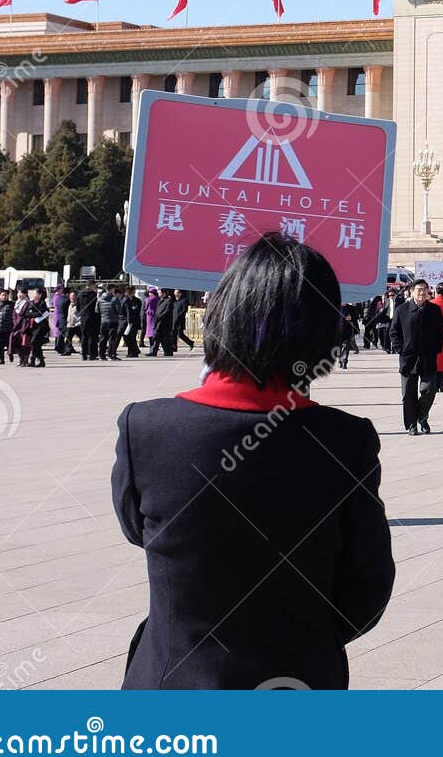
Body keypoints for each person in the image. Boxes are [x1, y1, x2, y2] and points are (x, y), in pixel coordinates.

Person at [111, 233, 394, 689]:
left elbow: (137, 531)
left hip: (174, 682)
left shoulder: (147, 427)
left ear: (224, 313)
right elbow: (368, 589)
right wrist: (302, 637)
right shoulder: (346, 441)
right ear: (323, 335)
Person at [393, 280, 443, 435]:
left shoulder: (434, 310)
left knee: (429, 390)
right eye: (419, 289)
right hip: (408, 359)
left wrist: (437, 348)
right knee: (408, 394)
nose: (422, 292)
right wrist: (400, 349)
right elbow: (394, 332)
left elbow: (441, 332)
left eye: (425, 289)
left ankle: (422, 417)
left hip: (428, 357)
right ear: (411, 291)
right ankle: (412, 424)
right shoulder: (402, 310)